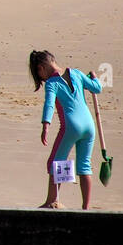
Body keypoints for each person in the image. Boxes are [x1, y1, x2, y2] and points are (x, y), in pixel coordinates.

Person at [29, 50, 101, 209]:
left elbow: (49, 104)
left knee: (56, 161)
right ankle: (86, 208)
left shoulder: (51, 83)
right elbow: (97, 88)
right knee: (84, 166)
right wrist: (94, 77)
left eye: (39, 75)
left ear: (41, 68)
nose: (42, 79)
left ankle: (52, 200)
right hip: (89, 126)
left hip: (70, 127)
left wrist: (45, 125)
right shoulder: (77, 73)